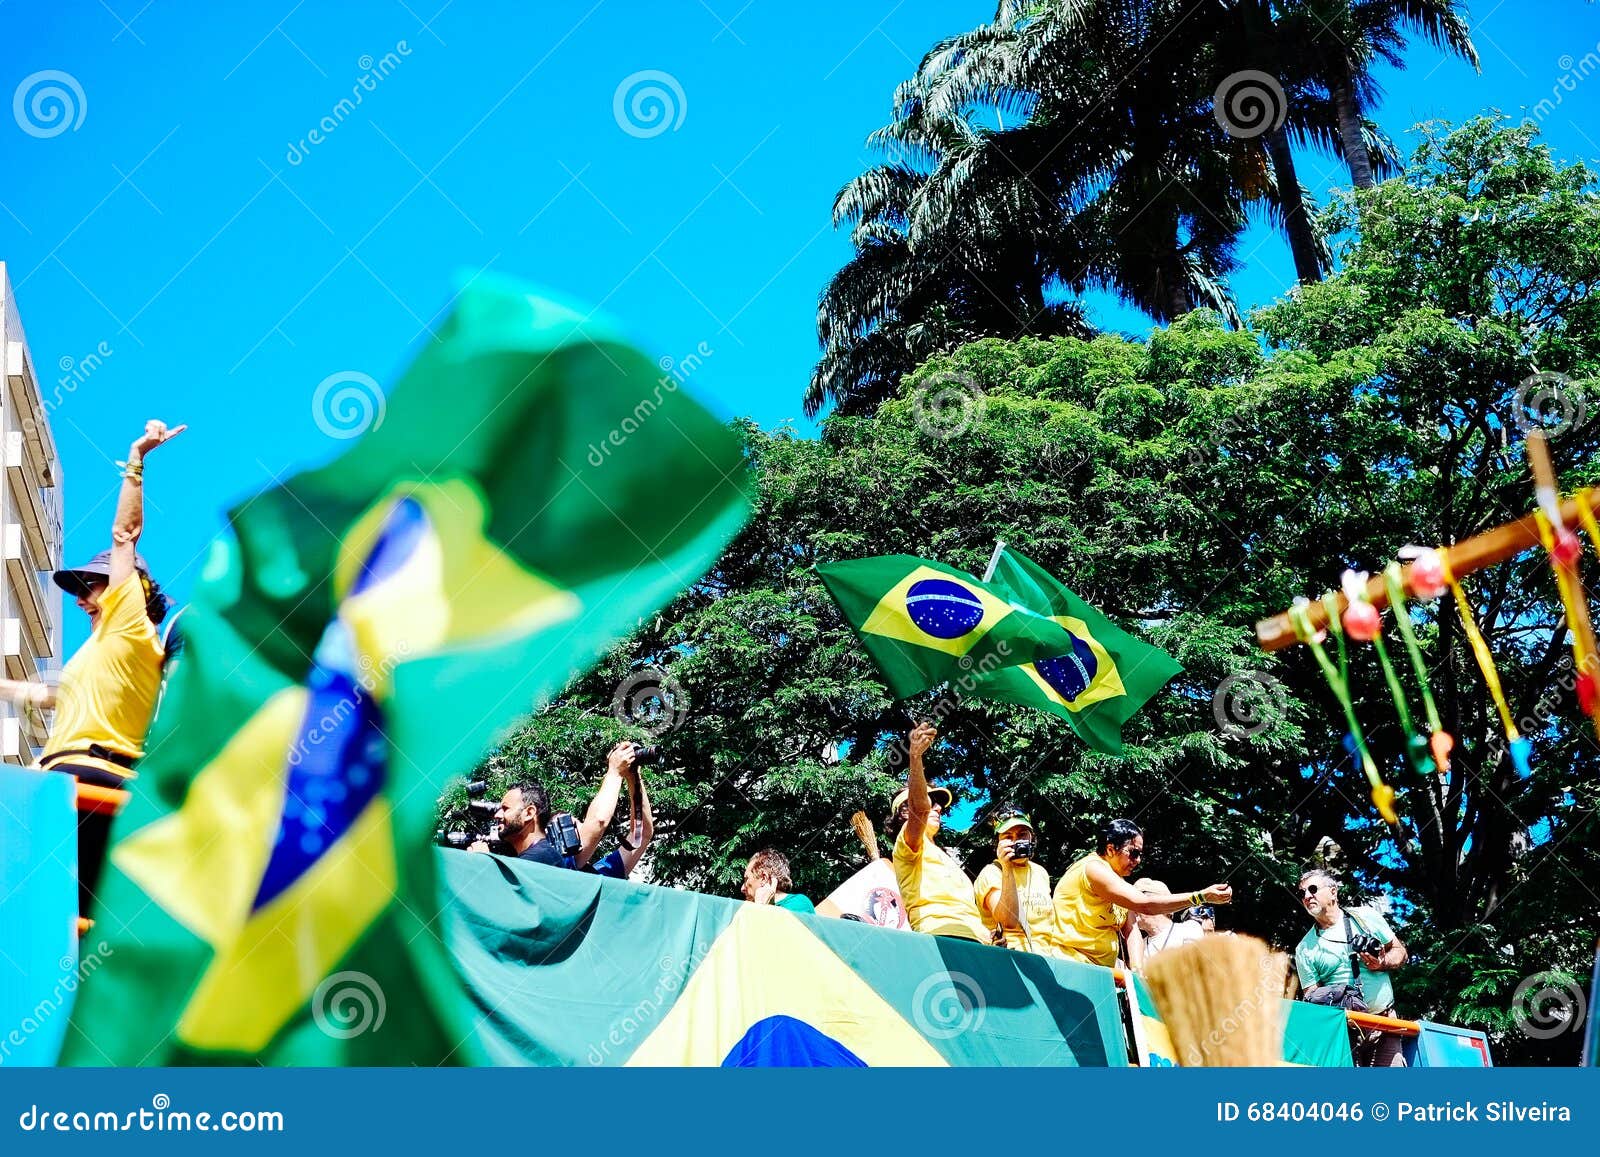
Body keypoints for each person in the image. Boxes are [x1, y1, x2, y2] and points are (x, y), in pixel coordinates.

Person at [0, 419, 184, 787]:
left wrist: (137, 459)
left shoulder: (127, 620)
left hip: (91, 774)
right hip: (77, 778)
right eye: (77, 592)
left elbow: (124, 536)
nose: (80, 600)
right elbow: (42, 693)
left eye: (89, 588)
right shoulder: (110, 655)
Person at [1048, 818, 1233, 968]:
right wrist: (1201, 896)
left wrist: (1137, 971)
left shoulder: (1118, 882)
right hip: (1071, 964)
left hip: (1100, 971)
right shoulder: (1093, 868)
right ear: (1111, 849)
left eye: (1141, 854)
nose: (1138, 861)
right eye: (1134, 853)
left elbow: (1131, 929)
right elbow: (1145, 904)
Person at [1294, 868, 1409, 1067]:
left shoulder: (1365, 917)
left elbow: (1401, 952)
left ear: (1333, 891)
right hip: (1343, 1033)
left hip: (1385, 1025)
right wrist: (1338, 997)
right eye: (1302, 893)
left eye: (1312, 889)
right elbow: (1312, 997)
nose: (1306, 896)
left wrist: (1382, 963)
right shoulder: (1304, 948)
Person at [891, 722, 988, 942]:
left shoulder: (944, 856)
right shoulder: (908, 844)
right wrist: (915, 758)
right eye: (930, 800)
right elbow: (920, 809)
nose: (937, 807)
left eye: (938, 803)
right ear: (904, 813)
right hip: (940, 936)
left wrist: (988, 936)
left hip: (976, 942)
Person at [470, 741, 638, 868]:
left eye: (505, 809)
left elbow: (598, 822)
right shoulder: (533, 859)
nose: (497, 815)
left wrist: (616, 771)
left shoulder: (542, 859)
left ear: (529, 813)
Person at [973, 804, 1057, 953]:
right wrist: (1007, 868)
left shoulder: (1040, 872)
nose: (1016, 841)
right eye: (1008, 837)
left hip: (1045, 960)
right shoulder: (991, 873)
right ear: (997, 843)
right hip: (1009, 958)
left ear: (1032, 837)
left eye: (1022, 834)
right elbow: (1008, 922)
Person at [587, 757, 654, 880]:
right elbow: (599, 821)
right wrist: (614, 770)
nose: (580, 828)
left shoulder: (599, 873)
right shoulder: (554, 868)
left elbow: (641, 834)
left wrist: (633, 776)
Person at [1133, 878, 1203, 967]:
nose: (1131, 910)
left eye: (1136, 905)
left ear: (1157, 905)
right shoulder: (1138, 948)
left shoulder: (1190, 929)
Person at [741, 849, 815, 913]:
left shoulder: (799, 904)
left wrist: (761, 907)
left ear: (764, 878)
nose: (742, 888)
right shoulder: (749, 910)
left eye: (746, 879)